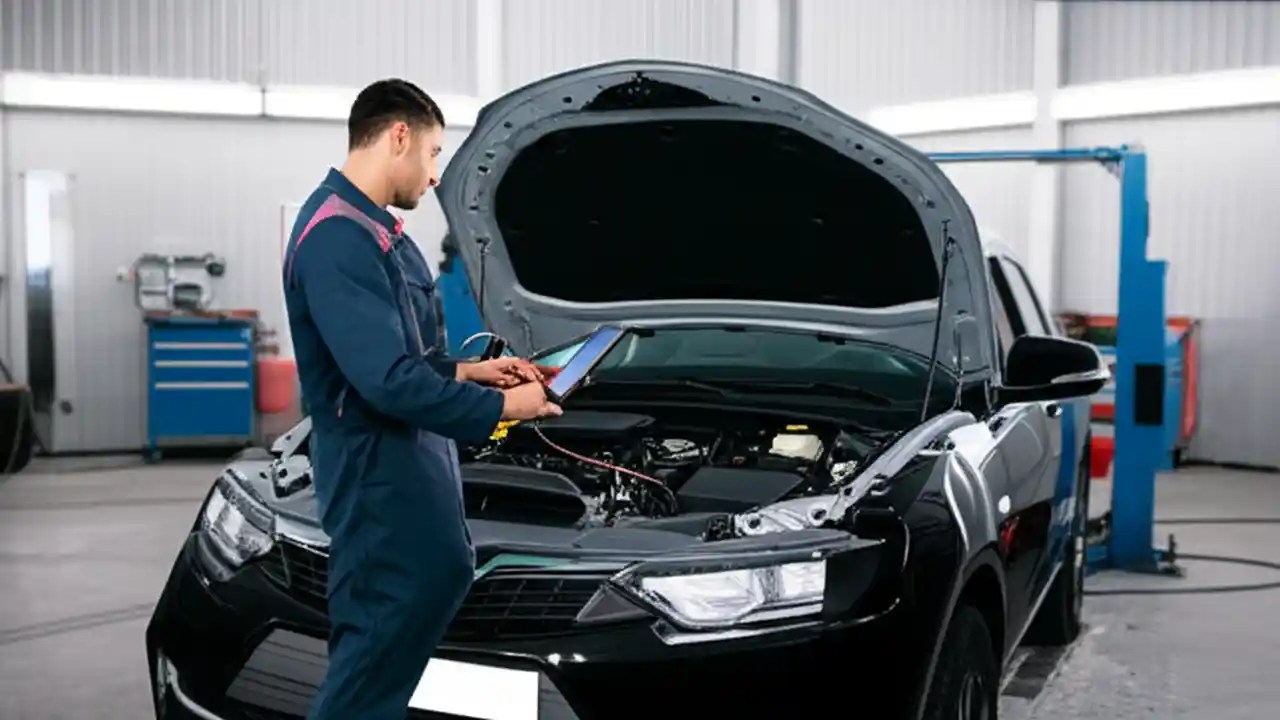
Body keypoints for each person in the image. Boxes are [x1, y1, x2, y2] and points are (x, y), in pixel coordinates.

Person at [282, 78, 561, 720]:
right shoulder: (337, 238)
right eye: (434, 153)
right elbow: (384, 382)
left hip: (407, 465)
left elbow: (402, 357)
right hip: (376, 478)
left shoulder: (377, 231)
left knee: (394, 653)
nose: (436, 174)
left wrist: (472, 374)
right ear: (399, 136)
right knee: (370, 667)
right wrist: (503, 411)